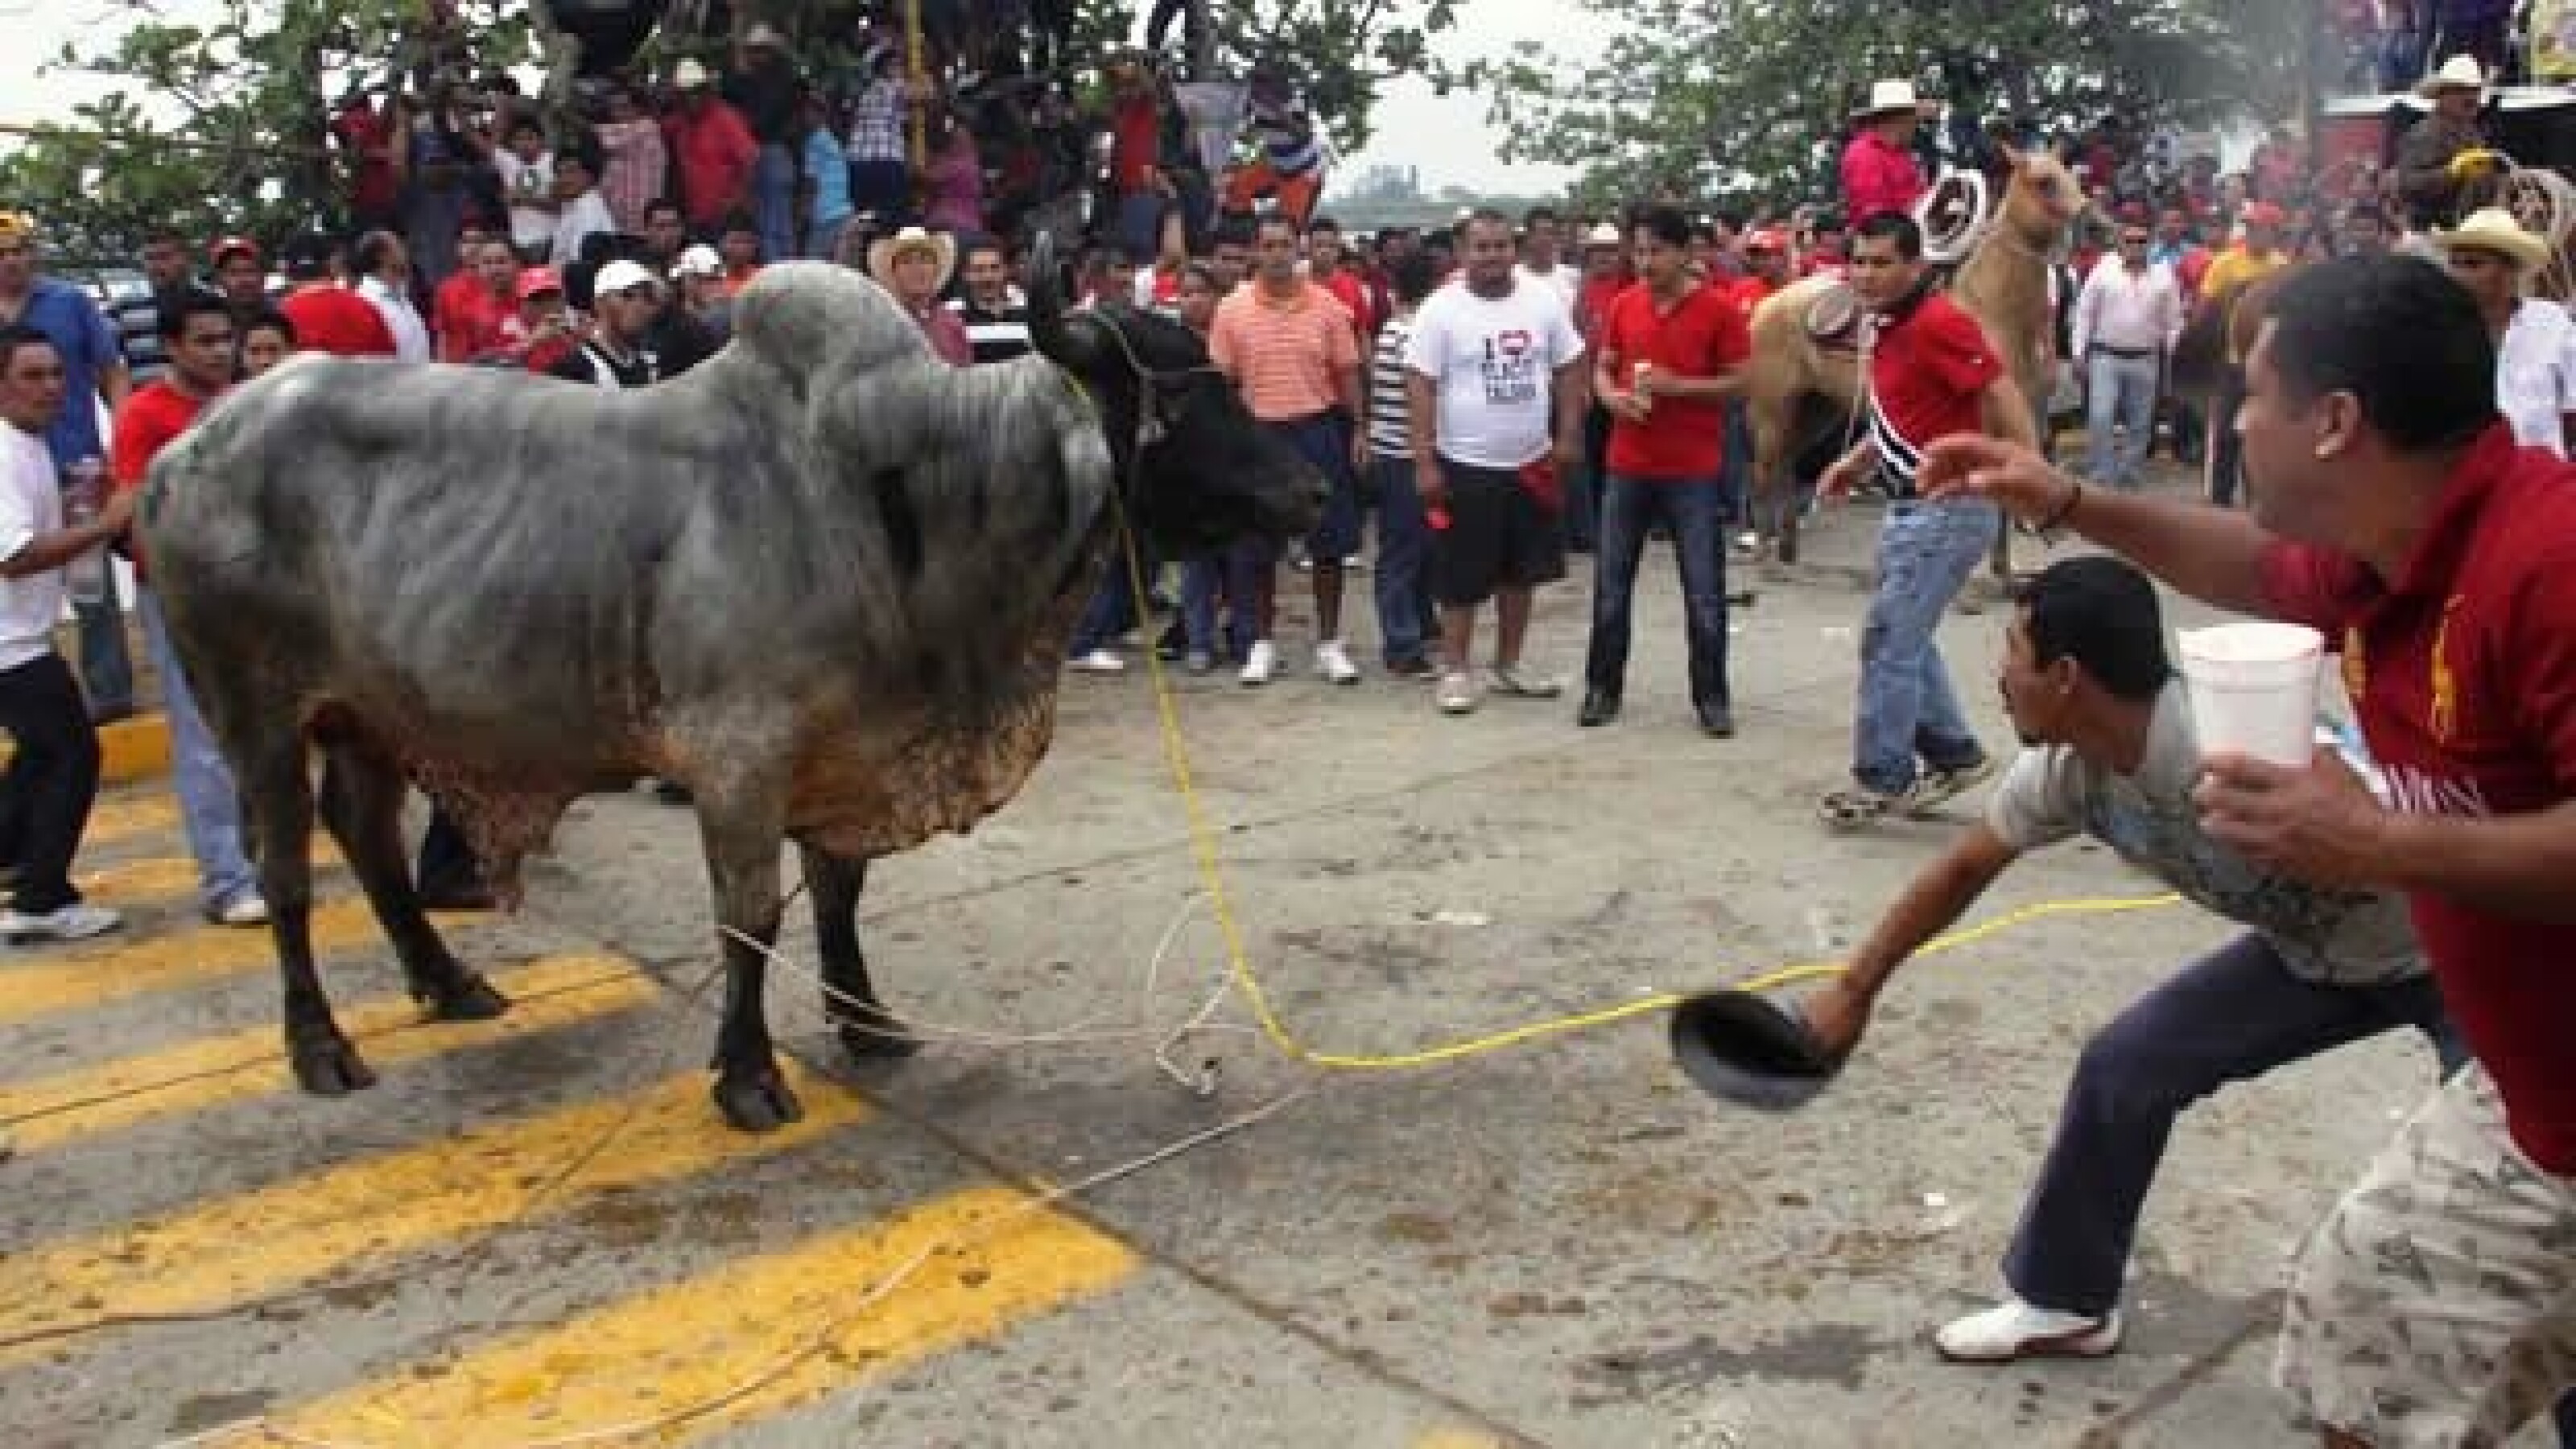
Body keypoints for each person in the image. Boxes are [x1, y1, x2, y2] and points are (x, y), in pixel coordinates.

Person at [1918, 254, 2576, 1449]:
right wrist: (2064, 501)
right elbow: (2253, 565)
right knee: (2357, 1345)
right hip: (2531, 1099)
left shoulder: (2548, 562)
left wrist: (2377, 839)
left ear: (2335, 424)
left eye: (2253, 394)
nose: (2231, 420)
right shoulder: (2393, 550)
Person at [1802, 554, 2456, 1370]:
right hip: (2310, 958)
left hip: (2452, 955)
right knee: (2124, 1068)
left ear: (2066, 675)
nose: (1999, 678)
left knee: (2529, 1180)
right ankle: (2066, 1302)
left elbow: (2402, 815)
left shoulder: (2228, 743)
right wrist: (1854, 989)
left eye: (2010, 652)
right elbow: (1960, 868)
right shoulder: (2066, 772)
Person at [1814, 212, 2033, 828]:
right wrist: (1856, 462)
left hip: (1947, 509)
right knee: (1902, 638)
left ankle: (1882, 777)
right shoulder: (1886, 323)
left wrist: (2031, 471)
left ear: (1915, 265)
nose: (1866, 273)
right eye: (1858, 261)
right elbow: (1908, 413)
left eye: (1881, 263)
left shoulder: (1939, 322)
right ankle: (1954, 753)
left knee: (1889, 643)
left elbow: (2000, 389)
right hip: (1912, 507)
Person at [107, 291, 267, 927]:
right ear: (171, 346)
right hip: (185, 592)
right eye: (204, 341)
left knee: (256, 729)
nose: (220, 351)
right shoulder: (146, 415)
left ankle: (254, 855)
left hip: (257, 588)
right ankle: (226, 878)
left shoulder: (247, 407)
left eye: (224, 338)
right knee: (203, 735)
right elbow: (137, 510)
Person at [1405, 208, 1587, 716]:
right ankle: (1456, 669)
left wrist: (1568, 434)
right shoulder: (1441, 310)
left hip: (1531, 462)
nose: (1492, 256)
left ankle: (1509, 665)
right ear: (1463, 253)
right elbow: (1420, 383)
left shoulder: (1543, 301)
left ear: (1516, 248)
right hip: (1465, 463)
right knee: (1461, 576)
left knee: (1521, 572)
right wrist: (1424, 461)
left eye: (1501, 246)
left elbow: (1571, 364)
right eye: (1481, 247)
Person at [1579, 204, 1752, 737]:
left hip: (1692, 469)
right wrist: (1612, 400)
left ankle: (1712, 697)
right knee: (1611, 586)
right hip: (1628, 463)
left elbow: (1742, 383)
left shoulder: (1719, 311)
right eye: (1640, 250)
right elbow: (1604, 368)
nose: (1646, 261)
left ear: (1684, 253)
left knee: (1703, 591)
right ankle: (1603, 687)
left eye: (1657, 250)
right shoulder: (1626, 305)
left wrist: (1681, 388)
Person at [0, 325, 128, 943]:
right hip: (9, 644)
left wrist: (81, 503)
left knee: (39, 754)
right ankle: (41, 898)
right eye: (32, 375)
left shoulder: (28, 444)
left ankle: (17, 863)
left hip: (19, 636)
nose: (51, 387)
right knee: (74, 755)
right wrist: (105, 525)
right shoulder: (2, 451)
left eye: (56, 373)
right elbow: (16, 554)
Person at [1207, 213, 1367, 687]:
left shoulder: (1328, 306)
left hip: (1318, 430)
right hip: (1260, 436)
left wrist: (1359, 428)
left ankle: (1329, 643)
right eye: (1269, 245)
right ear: (1256, 251)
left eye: (1285, 245)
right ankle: (1262, 642)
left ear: (1298, 249)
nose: (1277, 254)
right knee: (1259, 545)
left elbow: (1349, 372)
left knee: (1330, 542)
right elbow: (1222, 381)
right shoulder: (1232, 309)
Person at [0, 210, 135, 724]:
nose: (12, 261)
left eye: (20, 250)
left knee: (90, 584)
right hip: (8, 466)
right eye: (2, 253)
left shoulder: (70, 302)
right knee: (13, 579)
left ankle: (109, 695)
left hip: (74, 460)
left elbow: (112, 371)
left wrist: (119, 440)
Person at [2431, 207, 2576, 458]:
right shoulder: (2438, 333)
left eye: (2473, 264)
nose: (2457, 275)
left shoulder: (2549, 322)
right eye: (2454, 264)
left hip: (2544, 482)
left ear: (2509, 273)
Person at [1364, 251, 1442, 679]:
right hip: (1406, 455)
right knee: (1404, 551)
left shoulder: (1394, 331)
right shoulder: (1414, 335)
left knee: (1417, 547)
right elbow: (1426, 399)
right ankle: (1401, 643)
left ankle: (1418, 626)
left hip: (1400, 451)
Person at [2071, 221, 2183, 491]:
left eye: (2141, 241)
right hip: (2105, 356)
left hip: (2146, 358)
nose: (2135, 246)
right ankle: (2103, 475)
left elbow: (2173, 324)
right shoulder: (2103, 271)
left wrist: (2174, 361)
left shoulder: (2164, 276)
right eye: (2130, 241)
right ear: (2121, 243)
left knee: (2141, 422)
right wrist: (2078, 352)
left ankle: (2130, 474)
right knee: (2100, 416)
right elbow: (2085, 312)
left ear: (2150, 244)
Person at [2396, 56, 2500, 233]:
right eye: (2461, 90)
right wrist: (2451, 172)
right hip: (2434, 233)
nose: (2471, 97)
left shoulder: (2473, 134)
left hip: (2472, 230)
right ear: (2441, 95)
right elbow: (2408, 185)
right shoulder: (2425, 133)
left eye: (2475, 90)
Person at [544, 260, 661, 387]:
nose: (639, 305)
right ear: (599, 303)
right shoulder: (574, 371)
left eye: (647, 297)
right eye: (627, 295)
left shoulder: (648, 364)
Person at [865, 226, 970, 366]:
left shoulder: (952, 324)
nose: (916, 267)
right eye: (906, 261)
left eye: (925, 260)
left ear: (936, 269)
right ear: (894, 272)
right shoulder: (879, 324)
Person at [1842, 80, 1930, 226]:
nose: (1916, 126)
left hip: (1909, 237)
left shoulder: (1900, 153)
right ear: (1899, 119)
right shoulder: (1864, 155)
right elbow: (1875, 220)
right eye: (1914, 119)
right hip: (1888, 244)